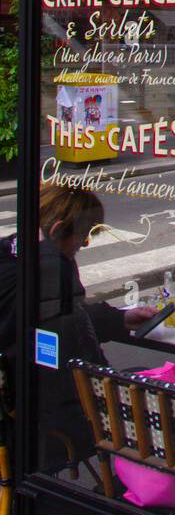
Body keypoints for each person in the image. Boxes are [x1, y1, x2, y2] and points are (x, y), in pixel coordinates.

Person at [0, 185, 157, 469]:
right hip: (41, 424)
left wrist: (118, 319)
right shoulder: (52, 270)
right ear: (58, 230)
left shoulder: (11, 253)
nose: (83, 245)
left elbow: (53, 316)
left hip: (13, 415)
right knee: (157, 391)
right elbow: (82, 358)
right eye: (83, 237)